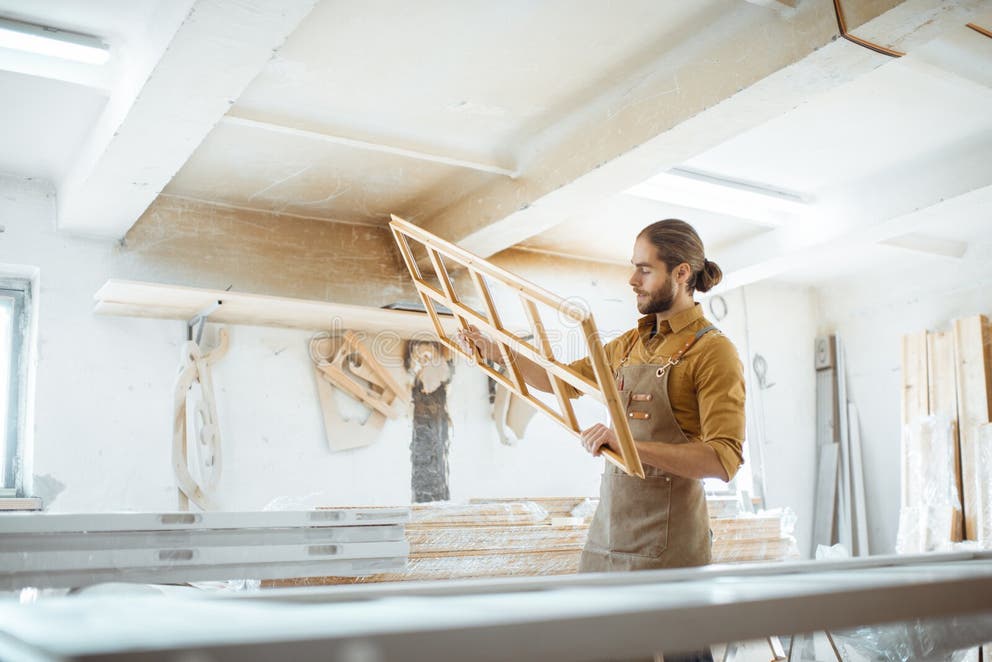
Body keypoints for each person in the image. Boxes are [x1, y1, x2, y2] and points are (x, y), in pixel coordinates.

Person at [458, 219, 746, 662]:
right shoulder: (629, 345)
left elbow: (723, 459)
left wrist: (628, 446)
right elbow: (563, 381)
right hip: (610, 537)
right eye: (634, 267)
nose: (632, 279)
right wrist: (497, 351)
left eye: (645, 269)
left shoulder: (712, 351)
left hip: (671, 554)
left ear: (682, 273)